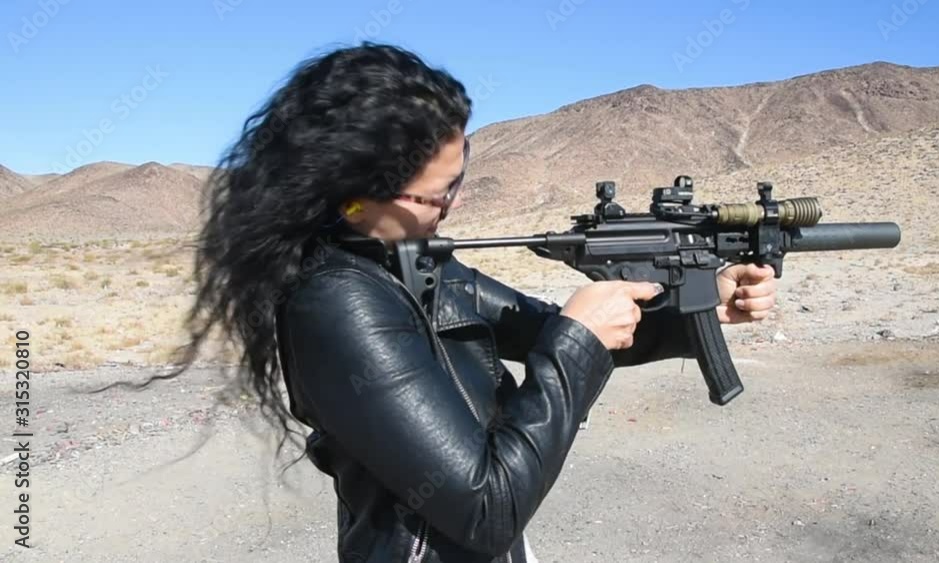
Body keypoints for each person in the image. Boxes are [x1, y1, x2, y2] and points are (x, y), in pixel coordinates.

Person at [143, 42, 777, 563]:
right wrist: (576, 344)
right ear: (352, 192)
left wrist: (697, 310)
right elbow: (488, 507)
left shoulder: (414, 263)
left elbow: (544, 330)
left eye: (459, 180)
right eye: (435, 195)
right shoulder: (335, 304)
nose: (453, 206)